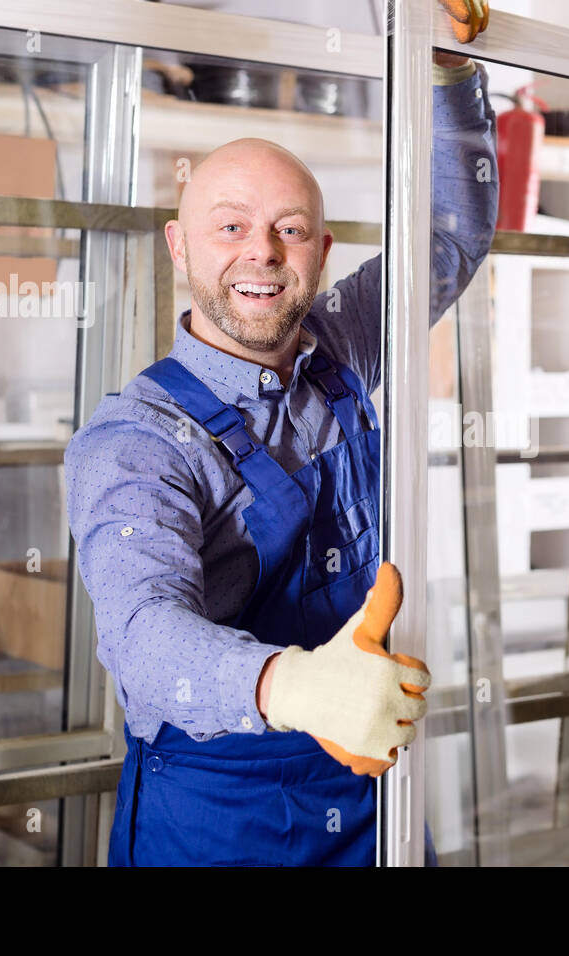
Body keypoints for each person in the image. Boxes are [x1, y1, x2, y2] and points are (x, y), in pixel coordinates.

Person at [65, 6, 498, 866]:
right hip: (219, 819)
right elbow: (143, 636)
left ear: (322, 251)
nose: (260, 252)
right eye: (229, 227)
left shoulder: (336, 346)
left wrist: (448, 74)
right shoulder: (138, 439)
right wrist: (292, 684)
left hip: (372, 788)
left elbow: (450, 234)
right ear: (179, 248)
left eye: (289, 230)